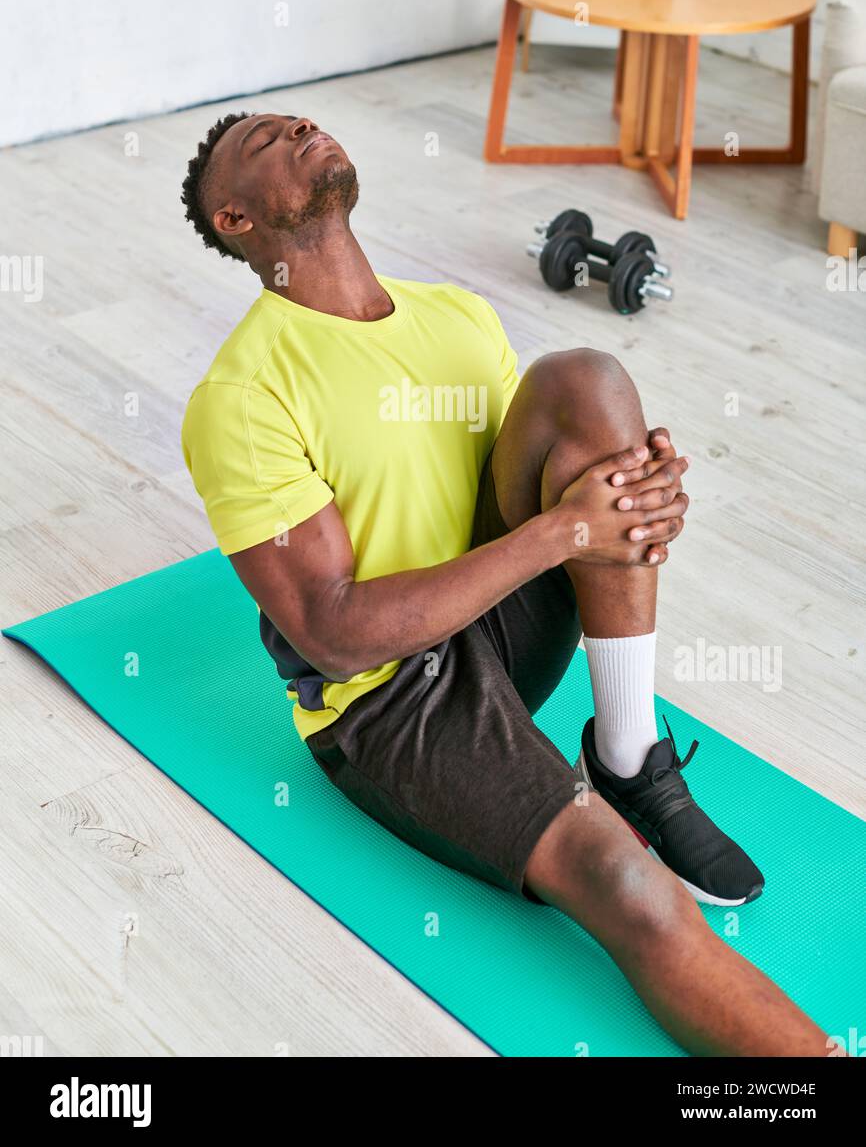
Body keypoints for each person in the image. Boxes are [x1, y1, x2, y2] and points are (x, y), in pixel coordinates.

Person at [180, 110, 831, 1056]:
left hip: (491, 624)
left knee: (586, 378)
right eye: (264, 145)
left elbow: (555, 482)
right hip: (389, 702)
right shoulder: (241, 395)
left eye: (297, 121)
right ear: (237, 220)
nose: (296, 128)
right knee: (629, 890)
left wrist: (633, 499)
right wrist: (572, 527)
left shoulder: (456, 317)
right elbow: (334, 632)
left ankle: (627, 752)